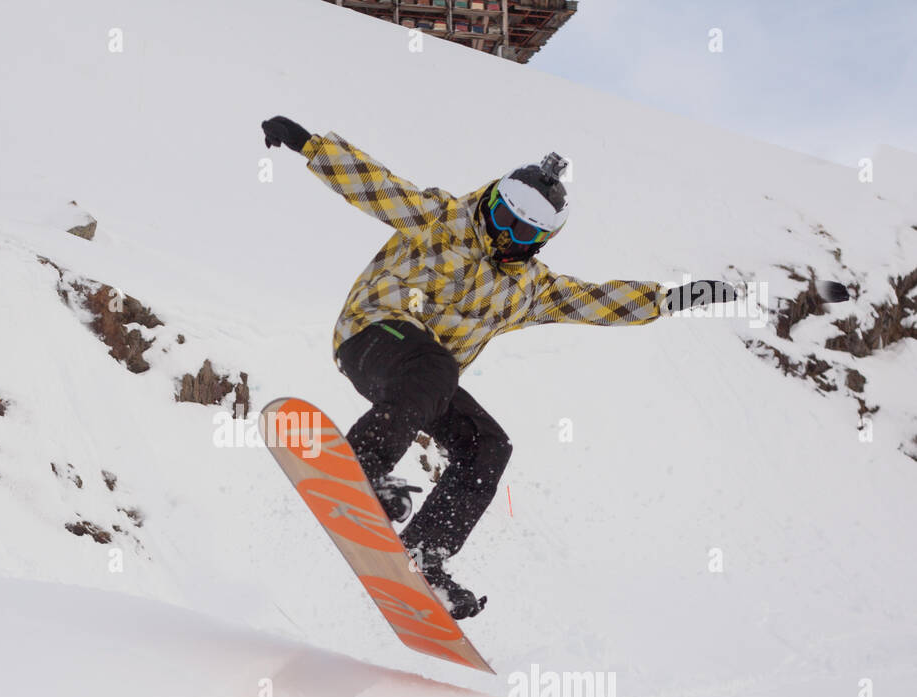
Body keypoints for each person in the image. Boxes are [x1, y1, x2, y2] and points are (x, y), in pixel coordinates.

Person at [262, 115, 734, 619]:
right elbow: (377, 187)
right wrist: (310, 144)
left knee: (488, 445)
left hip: (420, 382)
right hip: (372, 334)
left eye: (522, 233)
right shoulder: (442, 220)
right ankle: (364, 469)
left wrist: (671, 299)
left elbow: (596, 300)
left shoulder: (529, 289)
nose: (503, 234)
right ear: (489, 202)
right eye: (501, 218)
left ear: (540, 242)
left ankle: (425, 556)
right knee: (435, 366)